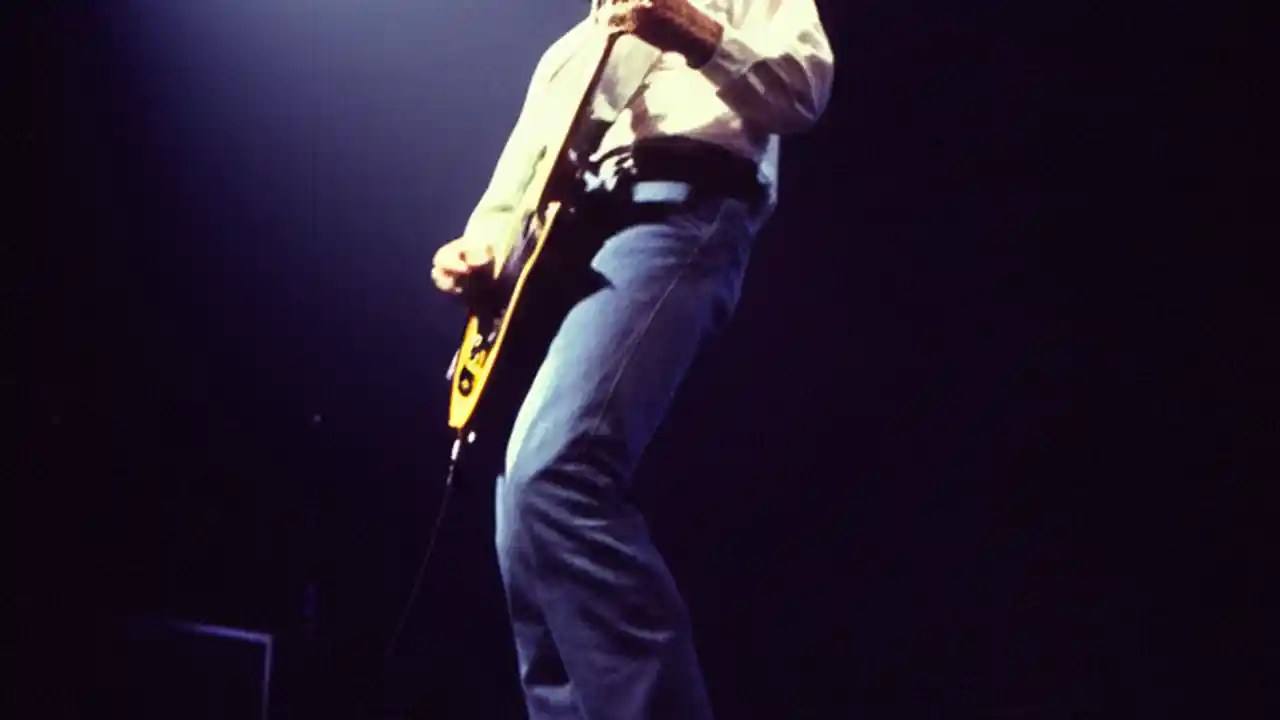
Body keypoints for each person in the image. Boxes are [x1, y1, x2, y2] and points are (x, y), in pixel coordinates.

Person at [430, 1, 833, 717]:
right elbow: (516, 189)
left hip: (683, 203)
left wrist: (695, 31)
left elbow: (802, 88)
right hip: (568, 243)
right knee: (520, 513)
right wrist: (479, 247)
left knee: (558, 470)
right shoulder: (572, 49)